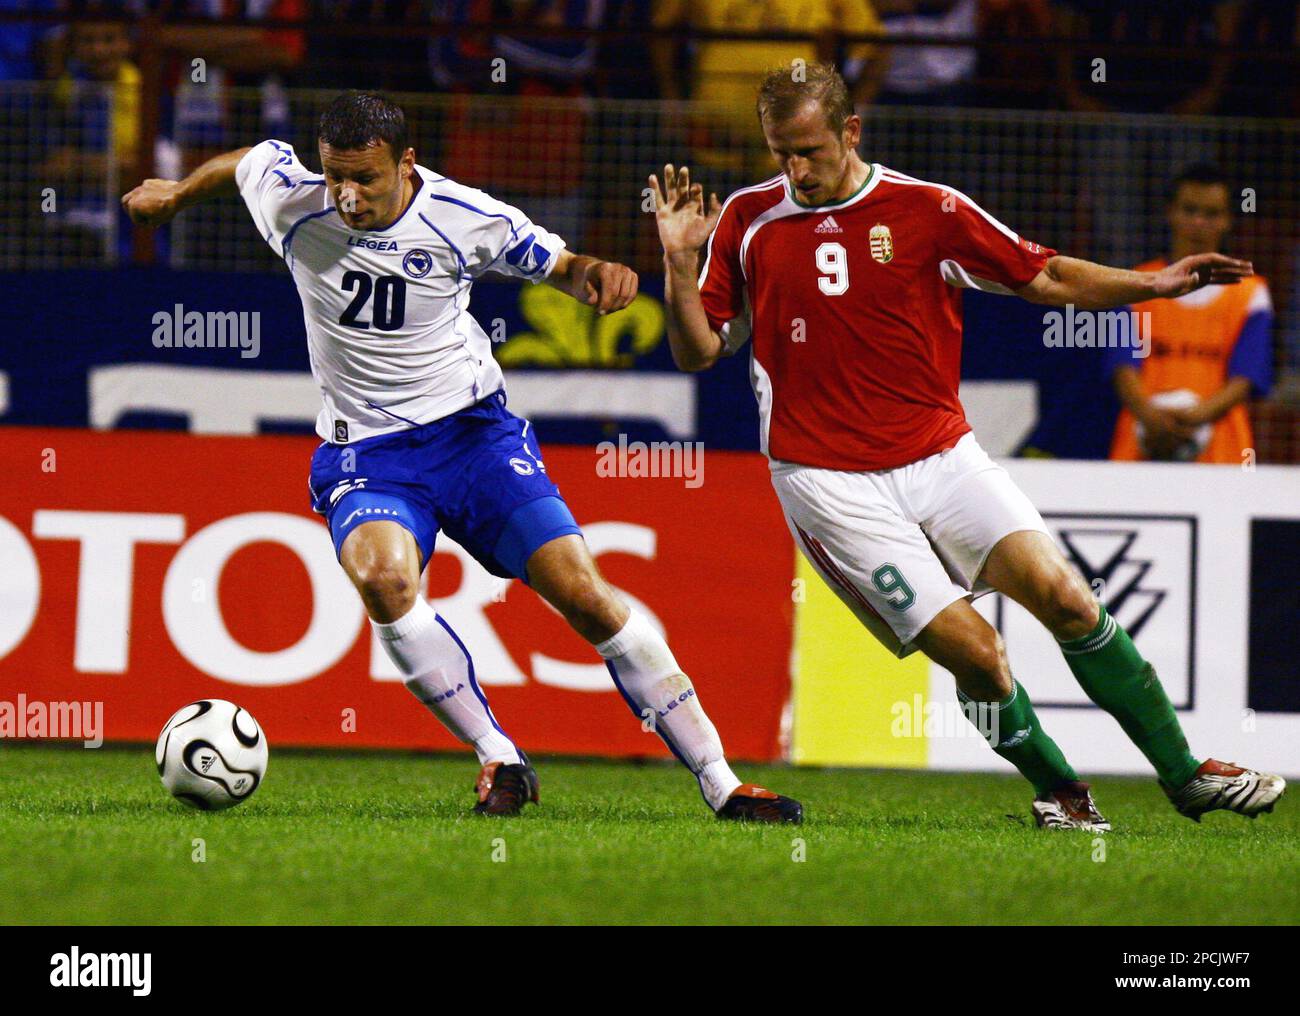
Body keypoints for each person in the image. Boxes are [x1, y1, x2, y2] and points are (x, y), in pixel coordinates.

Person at [122, 90, 801, 823]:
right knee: (384, 581)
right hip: (368, 453)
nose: (347, 196)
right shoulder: (292, 199)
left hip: (473, 436)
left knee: (581, 593)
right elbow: (247, 160)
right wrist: (177, 192)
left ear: (407, 163)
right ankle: (499, 758)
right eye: (335, 176)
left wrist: (597, 276)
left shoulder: (465, 215)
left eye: (367, 179)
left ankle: (721, 780)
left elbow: (562, 265)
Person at [651, 62, 1284, 829]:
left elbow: (1044, 276)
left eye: (810, 150)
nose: (796, 169)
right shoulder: (748, 220)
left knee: (1069, 600)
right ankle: (1059, 789)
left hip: (942, 457)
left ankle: (1187, 776)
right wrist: (680, 266)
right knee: (980, 656)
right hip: (828, 479)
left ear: (851, 132)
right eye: (780, 151)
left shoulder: (930, 209)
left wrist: (1151, 286)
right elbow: (698, 351)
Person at [1109, 164, 1274, 464]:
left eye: (1211, 214)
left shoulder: (1252, 294)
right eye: (1189, 210)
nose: (1199, 222)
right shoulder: (1135, 284)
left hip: (1222, 454)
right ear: (1170, 212)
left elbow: (1246, 377)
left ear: (1226, 220)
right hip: (1141, 448)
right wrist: (1152, 419)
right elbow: (1122, 367)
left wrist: (1193, 418)